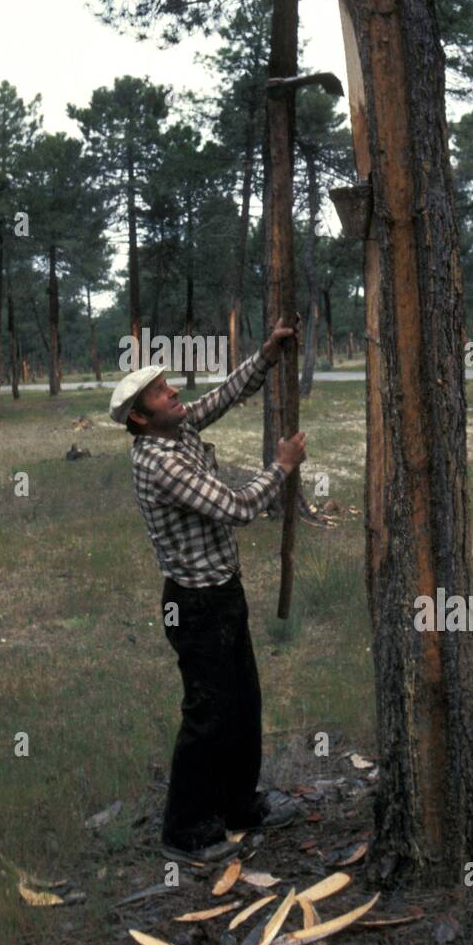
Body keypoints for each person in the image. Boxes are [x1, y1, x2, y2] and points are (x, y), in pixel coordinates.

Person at [108, 318, 307, 864]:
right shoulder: (160, 460)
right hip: (194, 605)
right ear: (139, 417)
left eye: (167, 385)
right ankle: (187, 829)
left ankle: (241, 805)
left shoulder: (174, 428)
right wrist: (283, 467)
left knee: (243, 703)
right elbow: (239, 507)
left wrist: (266, 355)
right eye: (160, 392)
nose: (174, 392)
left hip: (222, 593)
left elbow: (221, 397)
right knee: (208, 714)